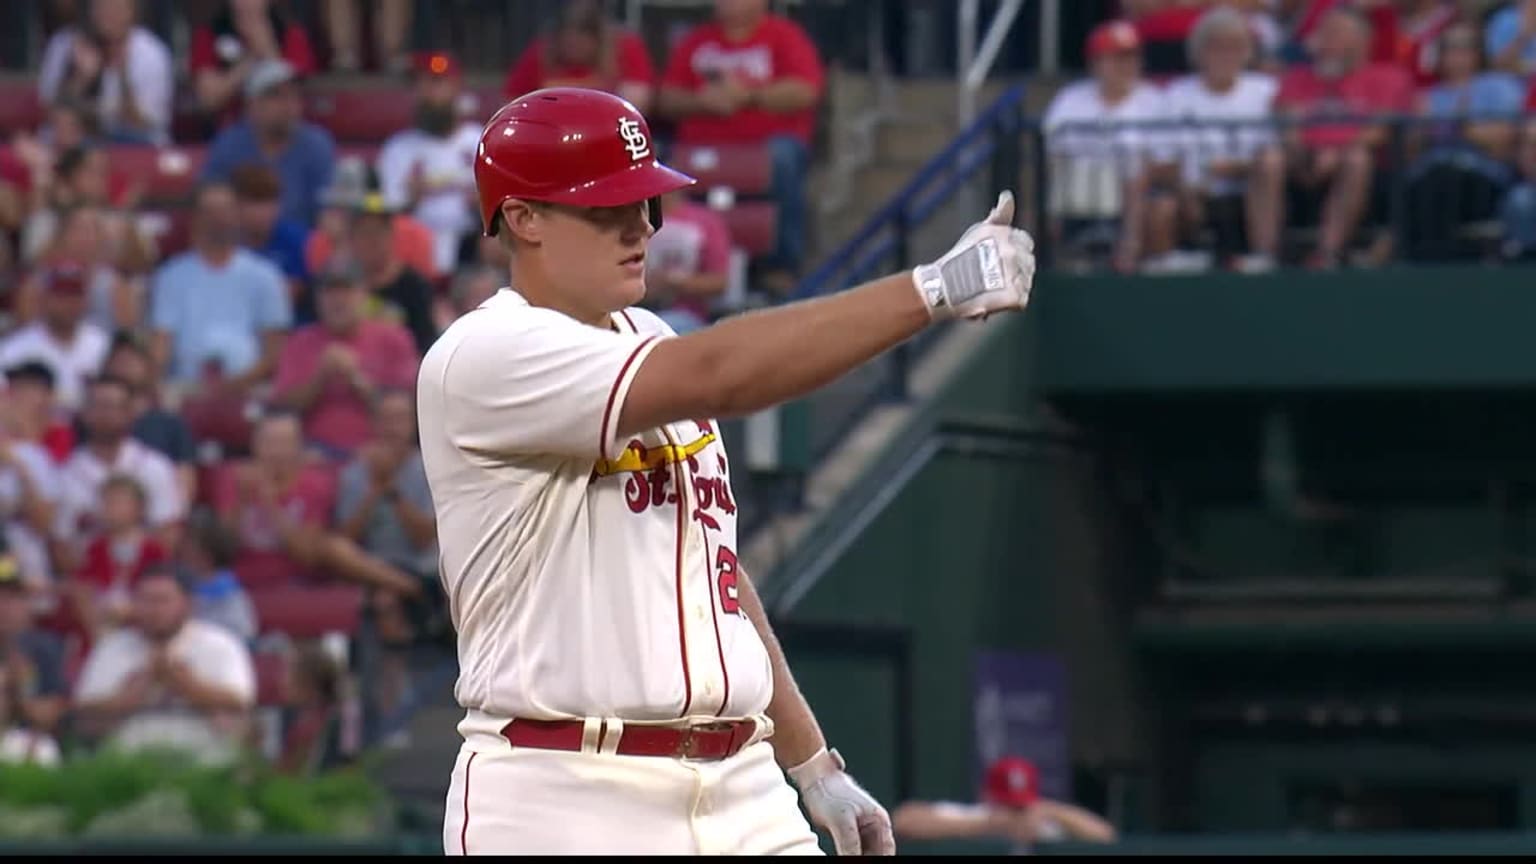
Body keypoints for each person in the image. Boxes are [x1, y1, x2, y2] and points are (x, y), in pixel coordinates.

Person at [422, 87, 1034, 855]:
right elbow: (718, 371)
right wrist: (931, 289)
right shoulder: (484, 357)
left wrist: (811, 765)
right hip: (566, 788)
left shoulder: (645, 333)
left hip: (742, 785)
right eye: (606, 206)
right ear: (524, 218)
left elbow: (715, 570)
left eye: (645, 203)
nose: (641, 226)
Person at [72, 565, 256, 763]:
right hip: (128, 760)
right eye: (144, 600)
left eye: (163, 601)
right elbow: (84, 708)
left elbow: (240, 702)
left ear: (188, 604)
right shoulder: (112, 647)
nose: (153, 610)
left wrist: (185, 685)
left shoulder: (220, 644)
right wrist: (129, 696)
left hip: (201, 758)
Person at [891, 757, 1118, 854]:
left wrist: (1052, 810)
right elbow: (903, 821)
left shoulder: (1039, 822)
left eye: (1018, 806)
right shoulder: (972, 816)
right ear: (987, 797)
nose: (1012, 813)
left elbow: (1105, 837)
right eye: (1006, 804)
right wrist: (989, 826)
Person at [37, 0, 174, 144]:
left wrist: (123, 75)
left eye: (117, 8)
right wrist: (79, 80)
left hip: (134, 143)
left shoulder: (151, 53)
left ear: (132, 12)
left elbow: (142, 124)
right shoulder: (64, 44)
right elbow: (49, 114)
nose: (108, 14)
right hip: (78, 143)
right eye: (101, 6)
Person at [502, 0, 655, 112]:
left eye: (583, 34)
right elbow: (509, 105)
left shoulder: (626, 47)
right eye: (567, 34)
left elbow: (635, 106)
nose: (573, 43)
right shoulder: (541, 51)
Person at [0, 551, 66, 767]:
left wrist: (21, 685)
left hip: (23, 740)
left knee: (37, 751)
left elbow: (47, 716)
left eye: (13, 597)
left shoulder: (44, 647)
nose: (4, 606)